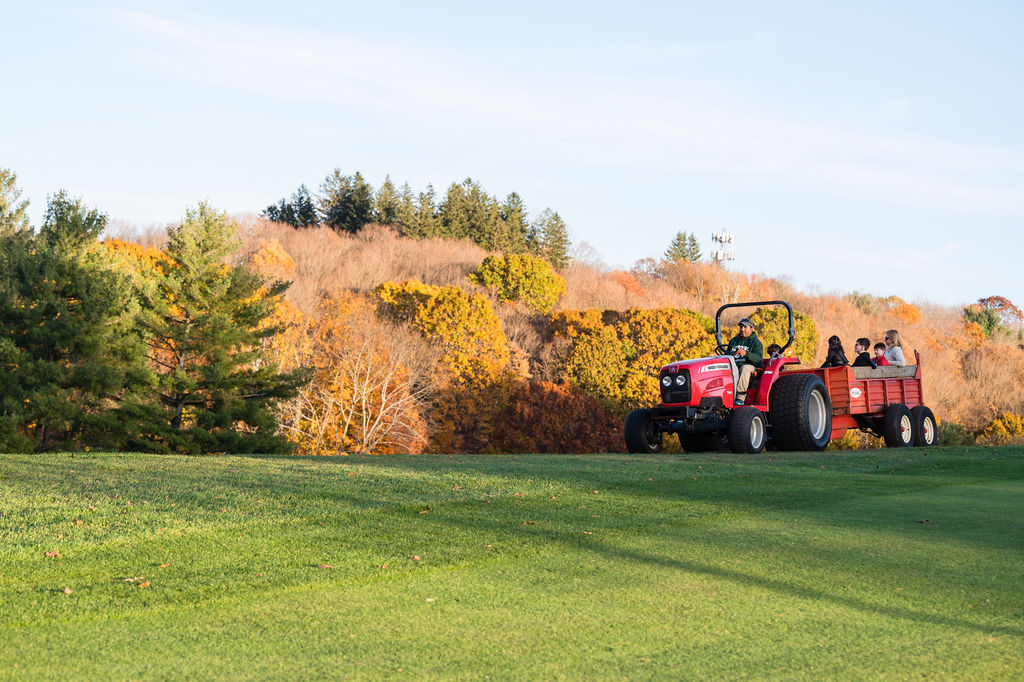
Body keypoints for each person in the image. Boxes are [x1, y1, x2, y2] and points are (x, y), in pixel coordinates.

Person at [727, 318, 763, 405]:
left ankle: (740, 398)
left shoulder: (756, 343)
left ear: (751, 329)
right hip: (734, 367)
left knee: (745, 368)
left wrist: (746, 353)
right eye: (740, 327)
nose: (742, 329)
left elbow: (758, 359)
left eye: (744, 327)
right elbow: (726, 354)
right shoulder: (733, 341)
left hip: (750, 369)